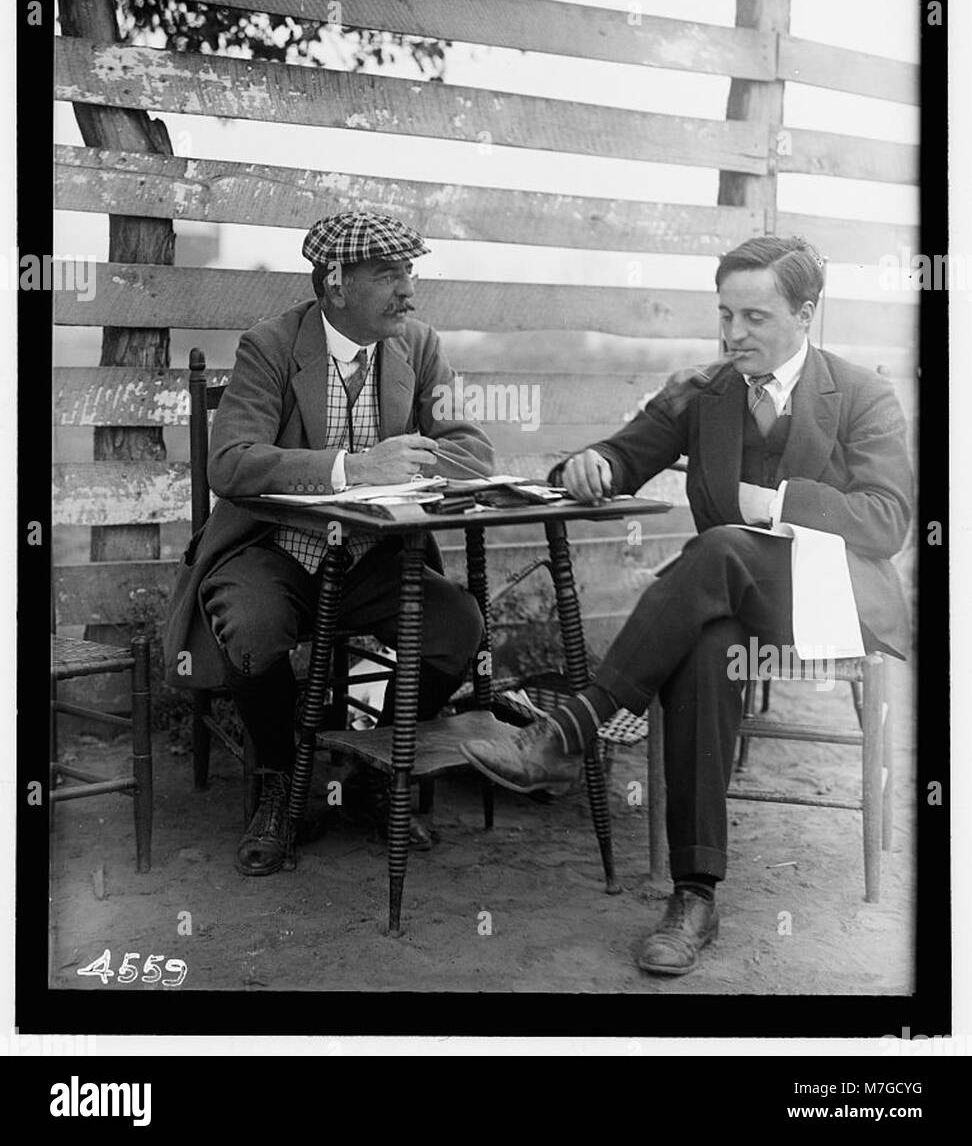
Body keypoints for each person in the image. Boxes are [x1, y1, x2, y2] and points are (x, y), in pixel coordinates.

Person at [461, 234, 912, 976]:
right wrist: (594, 464)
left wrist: (783, 502)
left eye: (756, 317)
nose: (735, 335)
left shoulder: (861, 393)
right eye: (725, 315)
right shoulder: (704, 391)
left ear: (805, 313)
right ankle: (693, 895)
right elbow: (623, 453)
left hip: (835, 598)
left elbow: (889, 520)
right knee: (706, 643)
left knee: (720, 547)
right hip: (729, 597)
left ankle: (573, 728)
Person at [163, 209, 493, 875]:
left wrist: (416, 462)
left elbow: (474, 452)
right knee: (252, 627)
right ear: (336, 284)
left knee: (458, 627)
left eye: (410, 271)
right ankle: (282, 785)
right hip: (274, 553)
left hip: (371, 562)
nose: (408, 289)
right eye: (389, 273)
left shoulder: (420, 345)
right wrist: (352, 469)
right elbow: (230, 462)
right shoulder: (272, 345)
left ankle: (370, 765)